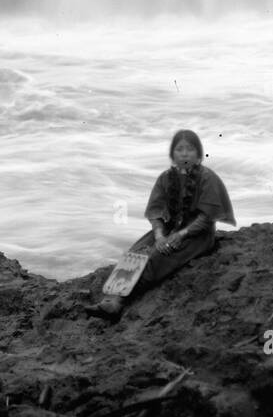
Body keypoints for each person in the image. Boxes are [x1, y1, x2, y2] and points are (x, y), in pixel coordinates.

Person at [89, 130, 235, 320]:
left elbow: (207, 217)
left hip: (197, 233)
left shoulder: (208, 178)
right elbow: (155, 211)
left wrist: (180, 235)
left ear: (198, 154)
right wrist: (159, 235)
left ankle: (118, 302)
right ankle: (110, 300)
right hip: (169, 227)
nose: (184, 154)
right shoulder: (166, 178)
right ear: (172, 154)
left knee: (156, 258)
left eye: (189, 149)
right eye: (179, 149)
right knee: (136, 253)